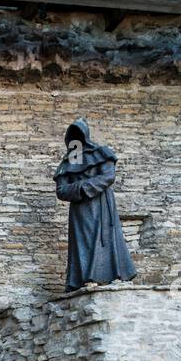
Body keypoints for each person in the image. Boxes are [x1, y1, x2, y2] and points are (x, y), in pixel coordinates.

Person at [54, 118, 138, 291]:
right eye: (73, 136)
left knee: (105, 240)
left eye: (79, 134)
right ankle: (83, 279)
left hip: (101, 205)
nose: (77, 139)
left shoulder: (101, 153)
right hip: (80, 211)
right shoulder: (68, 162)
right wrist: (80, 189)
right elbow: (61, 190)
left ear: (85, 135)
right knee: (82, 243)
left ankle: (112, 275)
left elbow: (108, 176)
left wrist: (84, 186)